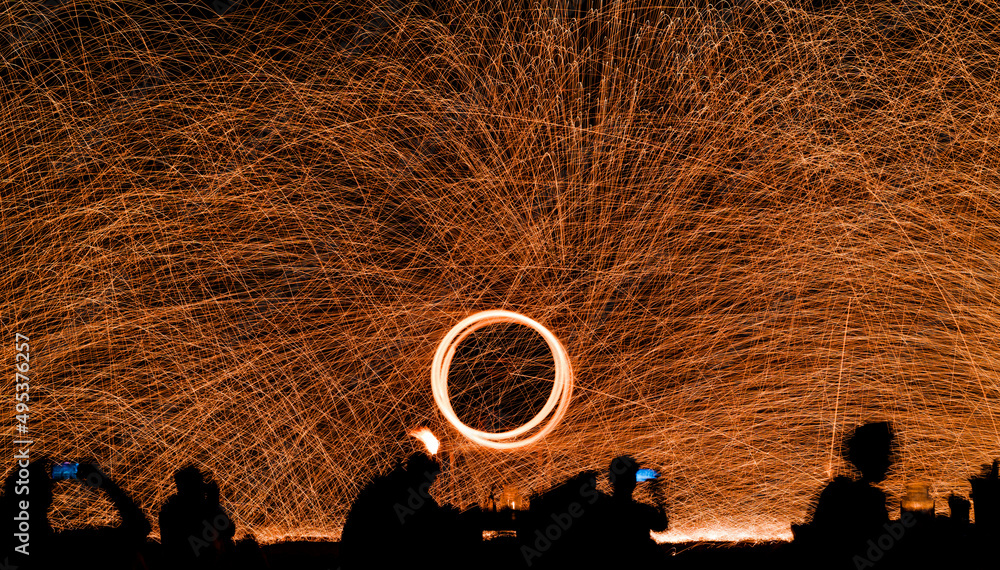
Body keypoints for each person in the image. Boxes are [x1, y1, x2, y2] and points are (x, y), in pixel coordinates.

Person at [0, 457, 151, 570]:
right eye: (48, 486)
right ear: (44, 496)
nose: (53, 489)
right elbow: (138, 528)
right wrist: (103, 481)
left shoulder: (15, 551)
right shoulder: (63, 551)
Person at [795, 421, 898, 568]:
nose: (892, 461)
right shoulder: (866, 499)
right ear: (870, 456)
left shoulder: (837, 490)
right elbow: (876, 549)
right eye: (887, 452)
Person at [340, 452, 463, 570]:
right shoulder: (405, 493)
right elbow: (426, 519)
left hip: (355, 556)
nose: (432, 484)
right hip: (373, 560)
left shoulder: (393, 485)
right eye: (431, 479)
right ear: (421, 475)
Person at [159, 465, 237, 569]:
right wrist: (214, 506)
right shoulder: (176, 511)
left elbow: (229, 529)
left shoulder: (171, 509)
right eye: (200, 483)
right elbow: (226, 530)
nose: (203, 487)